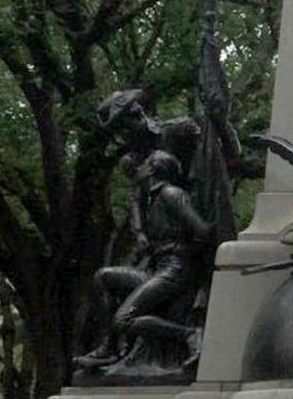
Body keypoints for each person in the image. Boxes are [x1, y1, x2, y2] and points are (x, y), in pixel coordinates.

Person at [74, 150, 212, 376]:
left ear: (153, 169)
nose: (140, 167)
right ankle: (109, 347)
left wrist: (180, 251)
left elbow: (203, 231)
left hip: (175, 269)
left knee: (123, 320)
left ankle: (188, 334)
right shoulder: (150, 199)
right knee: (103, 276)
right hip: (157, 268)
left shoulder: (170, 193)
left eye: (145, 163)